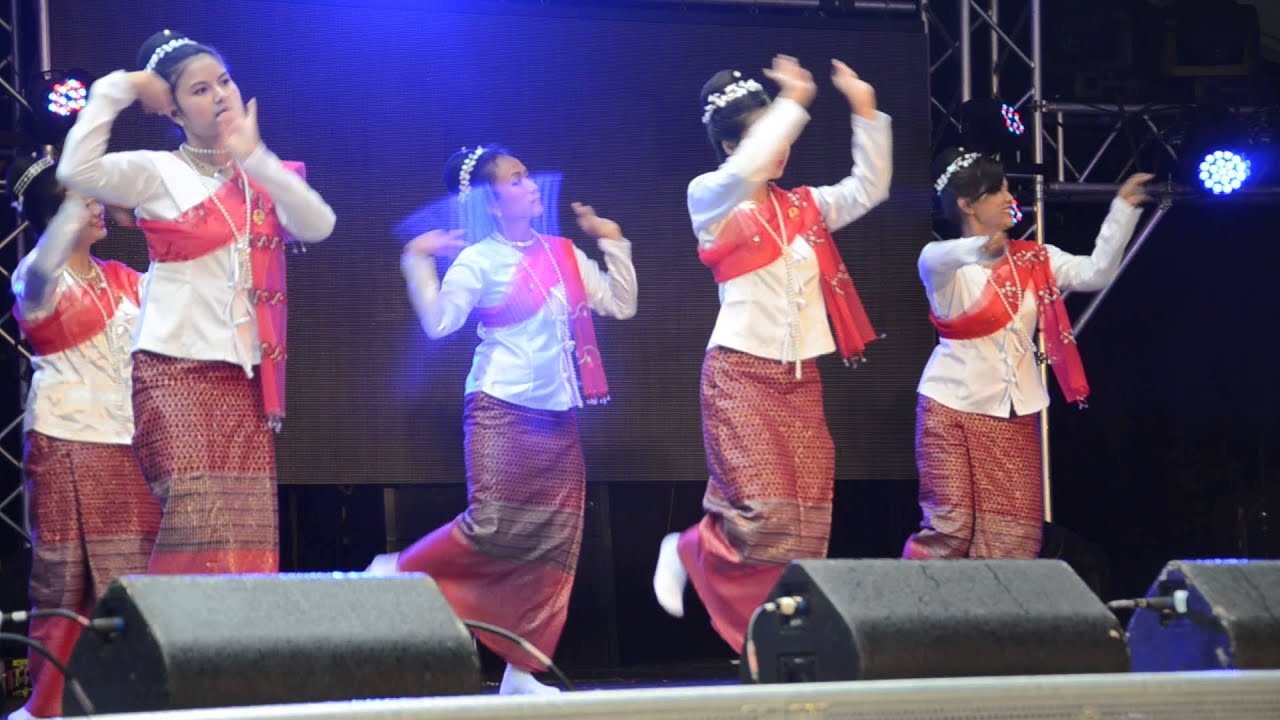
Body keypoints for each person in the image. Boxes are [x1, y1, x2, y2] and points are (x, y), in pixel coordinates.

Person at [56, 29, 336, 574]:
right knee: (197, 520)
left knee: (246, 535)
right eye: (200, 89)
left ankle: (231, 656)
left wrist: (254, 158)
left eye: (224, 82)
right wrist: (117, 89)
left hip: (245, 379)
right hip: (173, 371)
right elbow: (76, 172)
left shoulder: (262, 175)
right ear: (174, 110)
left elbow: (319, 225)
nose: (221, 95)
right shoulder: (157, 172)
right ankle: (164, 651)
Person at [365, 145, 637, 694]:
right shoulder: (479, 261)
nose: (531, 184)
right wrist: (415, 260)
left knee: (552, 546)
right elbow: (441, 324)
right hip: (500, 406)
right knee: (491, 525)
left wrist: (612, 241)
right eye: (516, 180)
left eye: (527, 175)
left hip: (559, 415)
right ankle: (399, 569)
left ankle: (522, 671)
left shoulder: (563, 253)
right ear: (491, 202)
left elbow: (621, 305)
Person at [652, 55, 892, 653]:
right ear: (731, 143)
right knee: (760, 515)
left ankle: (778, 642)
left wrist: (865, 112)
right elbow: (756, 163)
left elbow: (871, 189)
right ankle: (690, 547)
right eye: (760, 132)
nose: (778, 147)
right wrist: (796, 99)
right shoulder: (710, 197)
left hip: (800, 379)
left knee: (805, 523)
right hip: (739, 373)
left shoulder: (805, 206)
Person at [903, 148, 1151, 559]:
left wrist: (1121, 209)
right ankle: (913, 618)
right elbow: (947, 255)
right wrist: (983, 249)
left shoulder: (1035, 258)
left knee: (1012, 539)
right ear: (967, 204)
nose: (1007, 197)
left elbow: (1096, 272)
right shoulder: (941, 263)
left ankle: (995, 623)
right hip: (951, 409)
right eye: (995, 190)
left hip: (1016, 411)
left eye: (1006, 188)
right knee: (949, 529)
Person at [6, 155, 161, 720]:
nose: (97, 206)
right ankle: (47, 708)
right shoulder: (34, 276)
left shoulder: (124, 279)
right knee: (66, 587)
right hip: (67, 440)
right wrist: (70, 213)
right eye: (82, 197)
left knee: (130, 586)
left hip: (129, 447)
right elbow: (45, 268)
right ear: (56, 211)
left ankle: (124, 699)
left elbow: (185, 287)